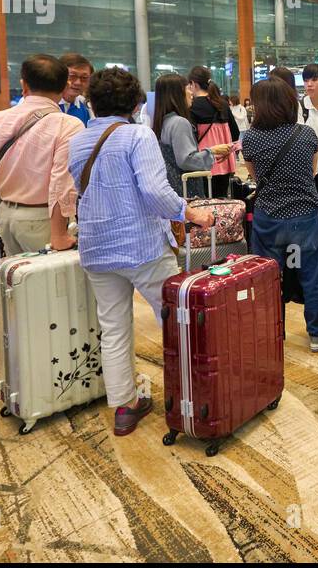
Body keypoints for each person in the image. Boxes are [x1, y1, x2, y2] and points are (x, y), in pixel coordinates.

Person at [65, 68, 214, 436]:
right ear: (135, 103)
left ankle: (124, 407)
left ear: (94, 103)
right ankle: (190, 396)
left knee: (113, 328)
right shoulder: (137, 135)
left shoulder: (79, 140)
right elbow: (154, 191)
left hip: (97, 248)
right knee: (176, 321)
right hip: (142, 246)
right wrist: (191, 213)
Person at [240, 77, 318, 352]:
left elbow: (256, 177)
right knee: (311, 275)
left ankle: (271, 335)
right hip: (304, 217)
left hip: (269, 218)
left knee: (268, 279)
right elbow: (312, 172)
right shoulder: (306, 134)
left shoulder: (251, 139)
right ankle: (317, 334)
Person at [0, 54, 82, 257]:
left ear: (24, 85)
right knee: (50, 286)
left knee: (15, 283)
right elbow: (61, 183)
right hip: (42, 220)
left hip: (4, 216)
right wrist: (59, 235)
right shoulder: (68, 125)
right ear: (62, 90)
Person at [152, 73, 233, 197]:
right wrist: (211, 152)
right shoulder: (180, 123)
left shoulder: (163, 122)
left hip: (173, 190)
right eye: (187, 88)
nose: (191, 93)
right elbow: (186, 160)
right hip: (187, 191)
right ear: (176, 94)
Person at [186, 66, 240, 197]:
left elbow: (190, 138)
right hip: (225, 164)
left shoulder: (193, 107)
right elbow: (235, 132)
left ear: (194, 84)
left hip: (203, 165)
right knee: (221, 204)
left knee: (204, 204)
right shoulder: (222, 104)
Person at [59, 53, 93, 124]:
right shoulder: (48, 103)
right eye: (72, 76)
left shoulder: (86, 106)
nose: (78, 82)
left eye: (84, 78)